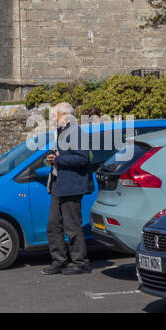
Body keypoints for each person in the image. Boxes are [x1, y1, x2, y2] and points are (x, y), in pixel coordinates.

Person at [42, 102, 94, 276]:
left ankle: (81, 262)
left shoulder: (76, 132)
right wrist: (54, 158)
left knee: (72, 226)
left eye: (54, 116)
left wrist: (58, 159)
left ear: (64, 115)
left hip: (71, 185)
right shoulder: (62, 132)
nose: (52, 119)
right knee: (53, 224)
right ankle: (59, 260)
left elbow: (82, 159)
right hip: (59, 184)